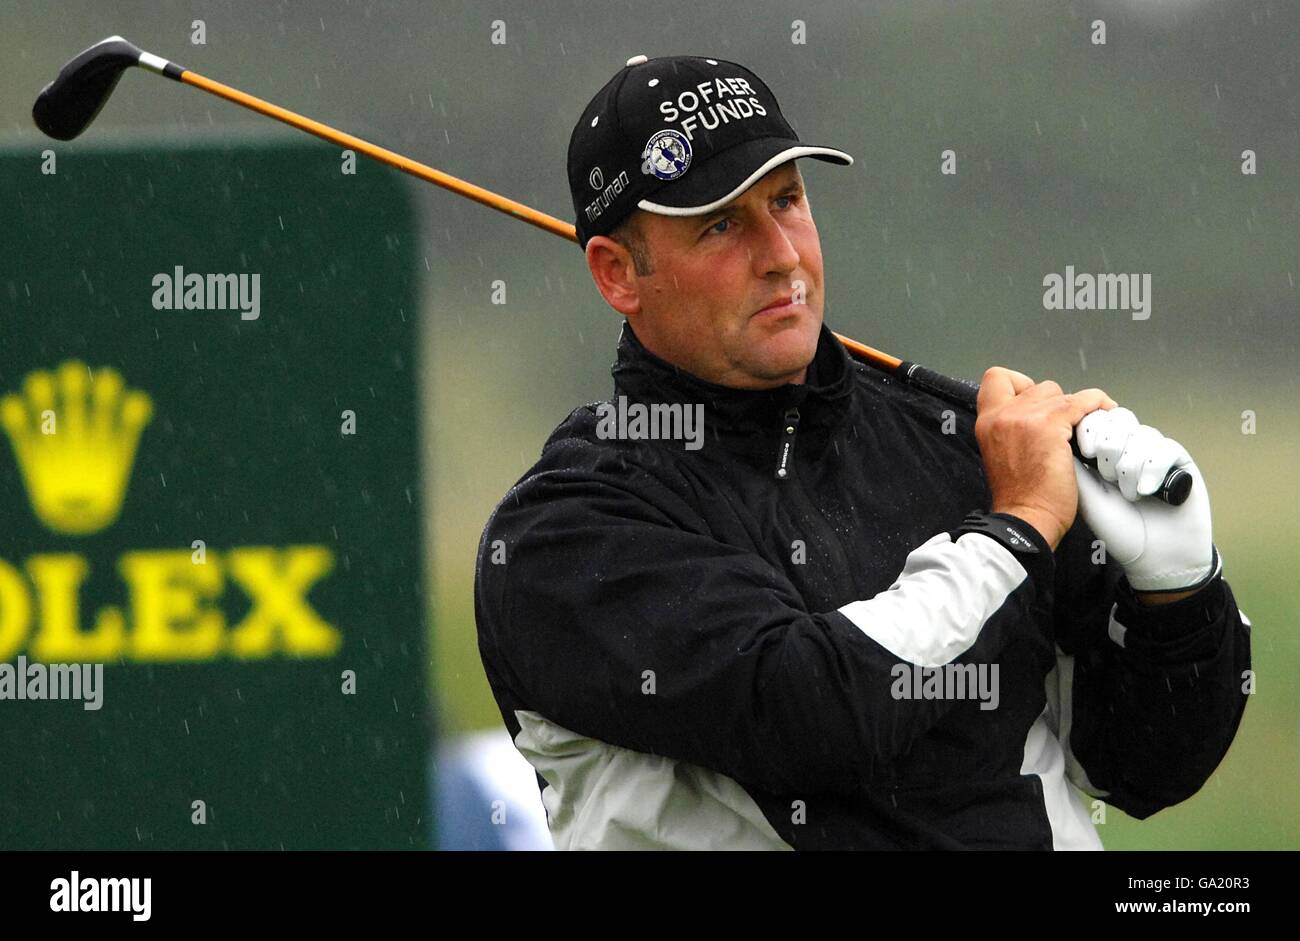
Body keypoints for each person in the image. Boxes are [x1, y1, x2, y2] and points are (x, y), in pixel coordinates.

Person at [473, 54, 1252, 849]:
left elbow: (1143, 768)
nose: (781, 253)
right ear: (617, 273)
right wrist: (1014, 531)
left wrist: (1178, 596)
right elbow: (811, 715)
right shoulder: (563, 532)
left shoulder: (955, 446)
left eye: (787, 200)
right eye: (721, 223)